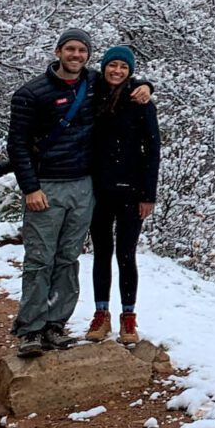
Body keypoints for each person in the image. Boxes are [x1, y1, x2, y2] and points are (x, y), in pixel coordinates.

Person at [5, 29, 150, 358]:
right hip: (46, 185)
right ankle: (31, 328)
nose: (76, 55)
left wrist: (146, 86)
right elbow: (17, 145)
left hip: (84, 185)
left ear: (88, 55)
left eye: (82, 50)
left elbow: (123, 76)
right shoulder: (31, 93)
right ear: (58, 52)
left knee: (68, 258)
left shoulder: (93, 84)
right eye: (70, 49)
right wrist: (30, 188)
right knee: (40, 260)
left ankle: (56, 324)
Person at [84, 43, 160, 345]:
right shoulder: (91, 93)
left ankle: (128, 317)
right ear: (104, 67)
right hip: (98, 189)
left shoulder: (140, 101)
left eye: (124, 68)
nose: (117, 71)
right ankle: (101, 315)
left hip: (131, 192)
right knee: (101, 253)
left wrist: (148, 195)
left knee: (126, 255)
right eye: (113, 65)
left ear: (131, 72)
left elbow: (153, 150)